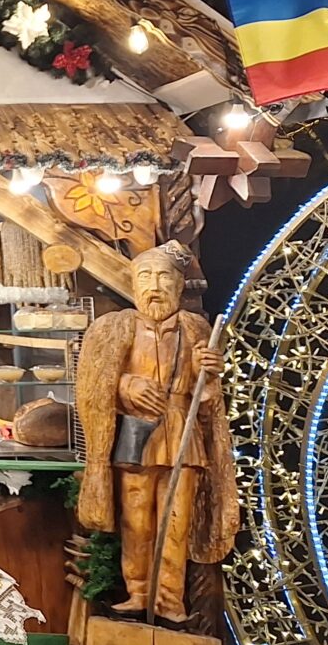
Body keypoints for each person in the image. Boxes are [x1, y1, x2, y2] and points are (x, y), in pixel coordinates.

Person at [76, 242, 238, 621]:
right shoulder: (115, 328)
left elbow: (210, 400)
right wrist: (125, 386)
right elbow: (94, 382)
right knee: (136, 520)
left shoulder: (196, 329)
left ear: (179, 285)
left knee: (176, 519)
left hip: (181, 432)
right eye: (146, 276)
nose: (155, 285)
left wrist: (208, 371)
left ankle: (169, 598)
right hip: (136, 432)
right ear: (133, 284)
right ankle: (138, 592)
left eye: (164, 277)